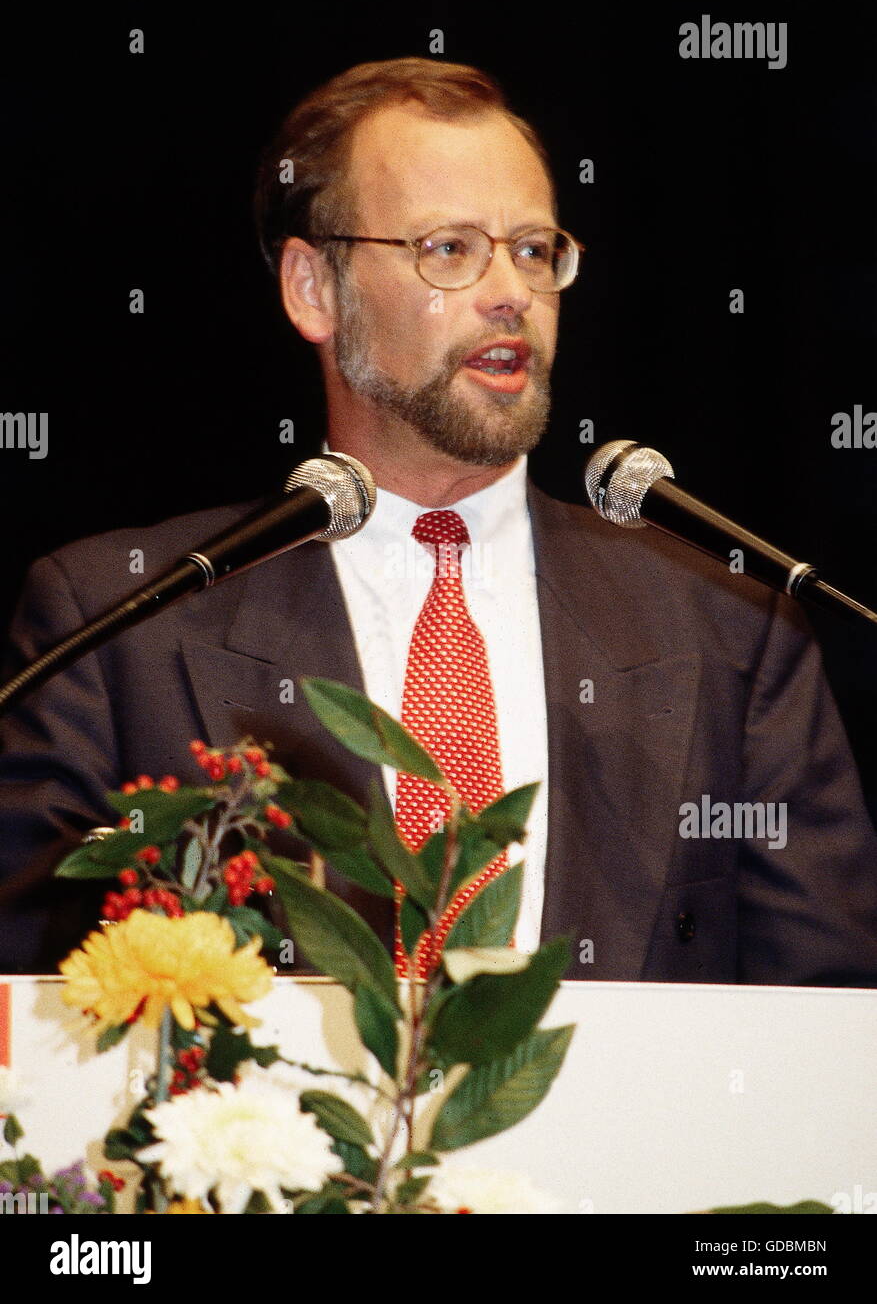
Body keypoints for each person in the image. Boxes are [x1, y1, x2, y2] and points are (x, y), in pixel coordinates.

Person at [1, 57, 875, 984]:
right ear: (314, 290)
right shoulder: (117, 624)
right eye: (449, 250)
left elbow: (828, 1031)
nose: (512, 293)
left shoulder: (728, 625)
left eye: (534, 250)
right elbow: (42, 1024)